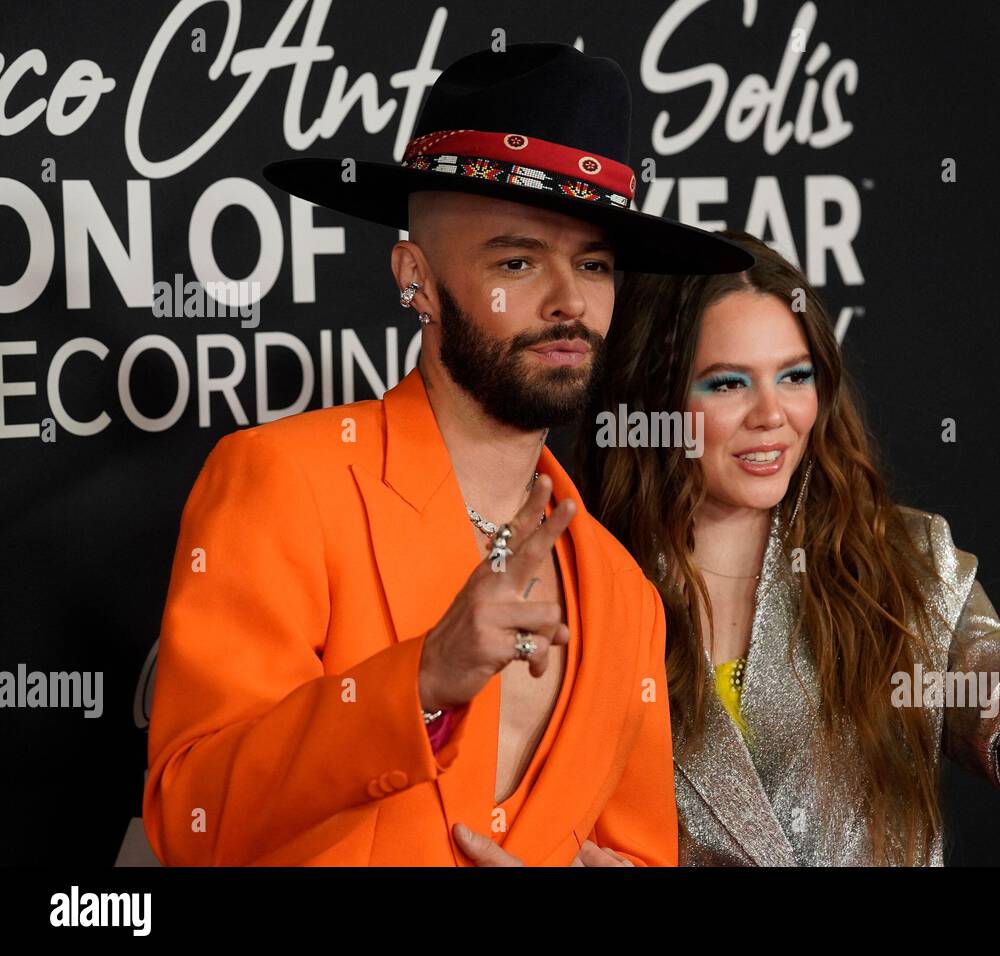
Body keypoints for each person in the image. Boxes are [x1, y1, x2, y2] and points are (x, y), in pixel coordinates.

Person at [142, 42, 754, 867]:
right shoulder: (284, 480)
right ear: (416, 280)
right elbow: (190, 820)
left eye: (595, 265)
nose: (570, 300)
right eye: (517, 260)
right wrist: (421, 681)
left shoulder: (622, 596)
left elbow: (637, 853)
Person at [576, 228, 1000, 865]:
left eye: (794, 376)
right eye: (727, 383)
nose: (771, 414)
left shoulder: (900, 559)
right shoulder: (584, 582)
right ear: (652, 396)